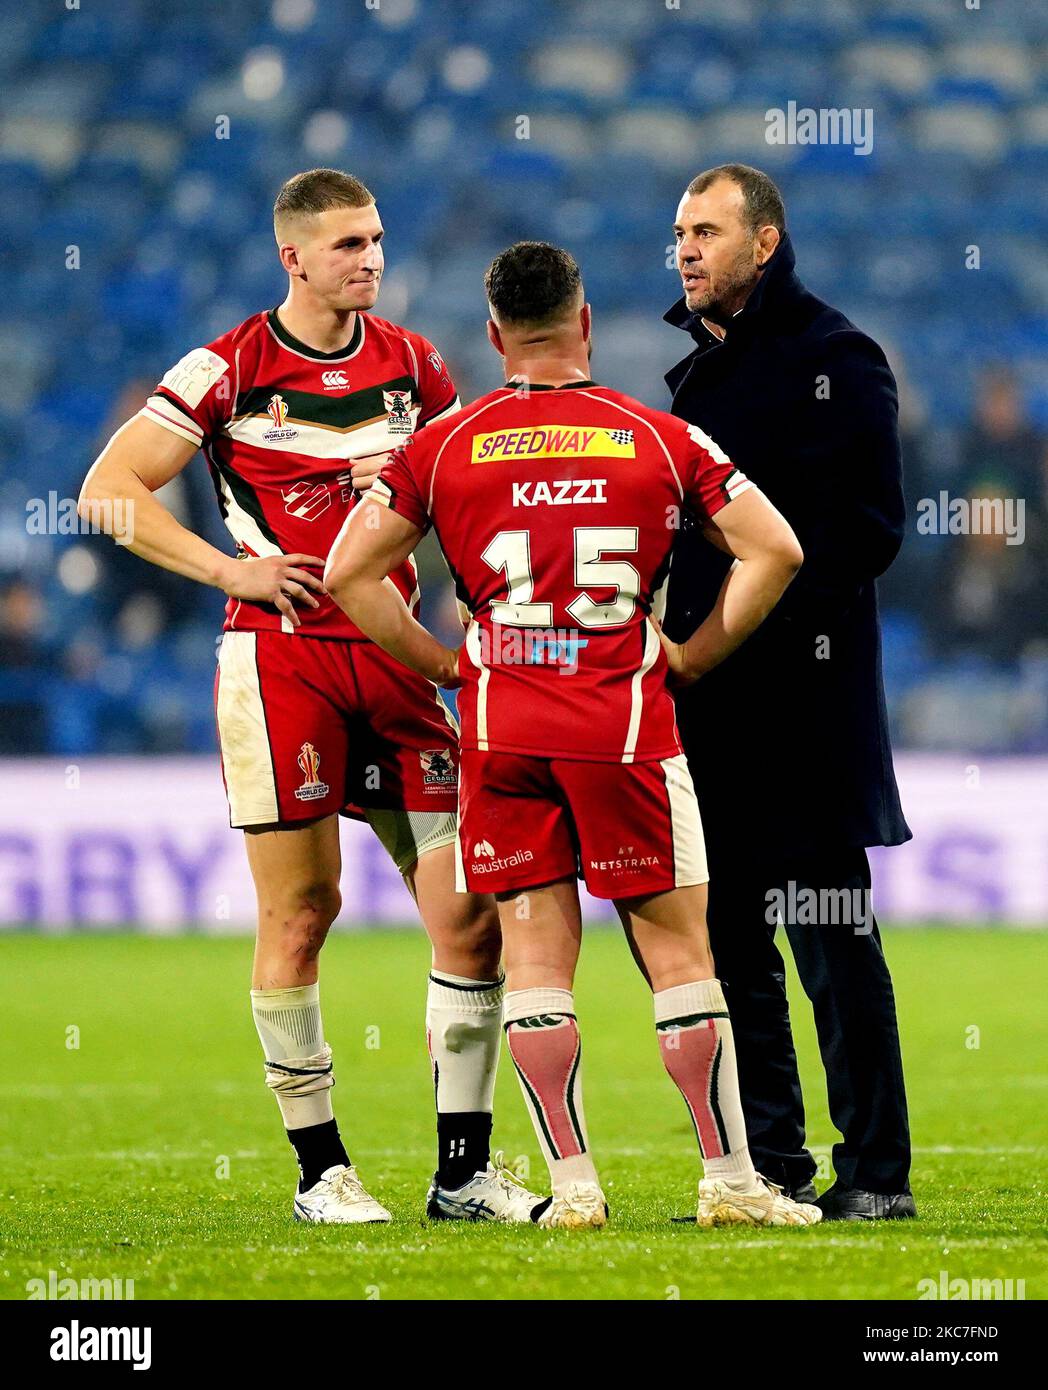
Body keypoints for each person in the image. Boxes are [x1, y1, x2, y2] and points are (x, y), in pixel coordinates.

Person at [78, 168, 545, 1225]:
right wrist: (229, 569)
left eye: (375, 239)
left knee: (468, 919)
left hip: (396, 654)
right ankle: (320, 1172)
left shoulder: (417, 367)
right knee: (302, 911)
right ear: (292, 257)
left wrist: (486, 619)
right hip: (279, 661)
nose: (369, 258)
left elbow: (459, 500)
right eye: (345, 245)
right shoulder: (228, 367)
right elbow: (106, 493)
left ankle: (463, 1174)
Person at [324, 240, 821, 1231]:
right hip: (622, 723)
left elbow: (345, 573)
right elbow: (778, 548)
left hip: (504, 728)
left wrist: (444, 665)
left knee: (537, 960)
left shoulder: (443, 445)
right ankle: (729, 1183)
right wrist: (693, 651)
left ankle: (576, 1189)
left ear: (496, 333)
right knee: (681, 956)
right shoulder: (659, 437)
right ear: (585, 324)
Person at [663, 163, 915, 1220]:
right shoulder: (692, 378)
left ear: (763, 243)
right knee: (730, 950)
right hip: (713, 710)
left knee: (830, 942)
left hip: (803, 714)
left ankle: (874, 1173)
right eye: (678, 231)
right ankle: (771, 1166)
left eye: (707, 231)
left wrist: (741, 615)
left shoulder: (835, 356)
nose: (684, 249)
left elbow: (869, 531)